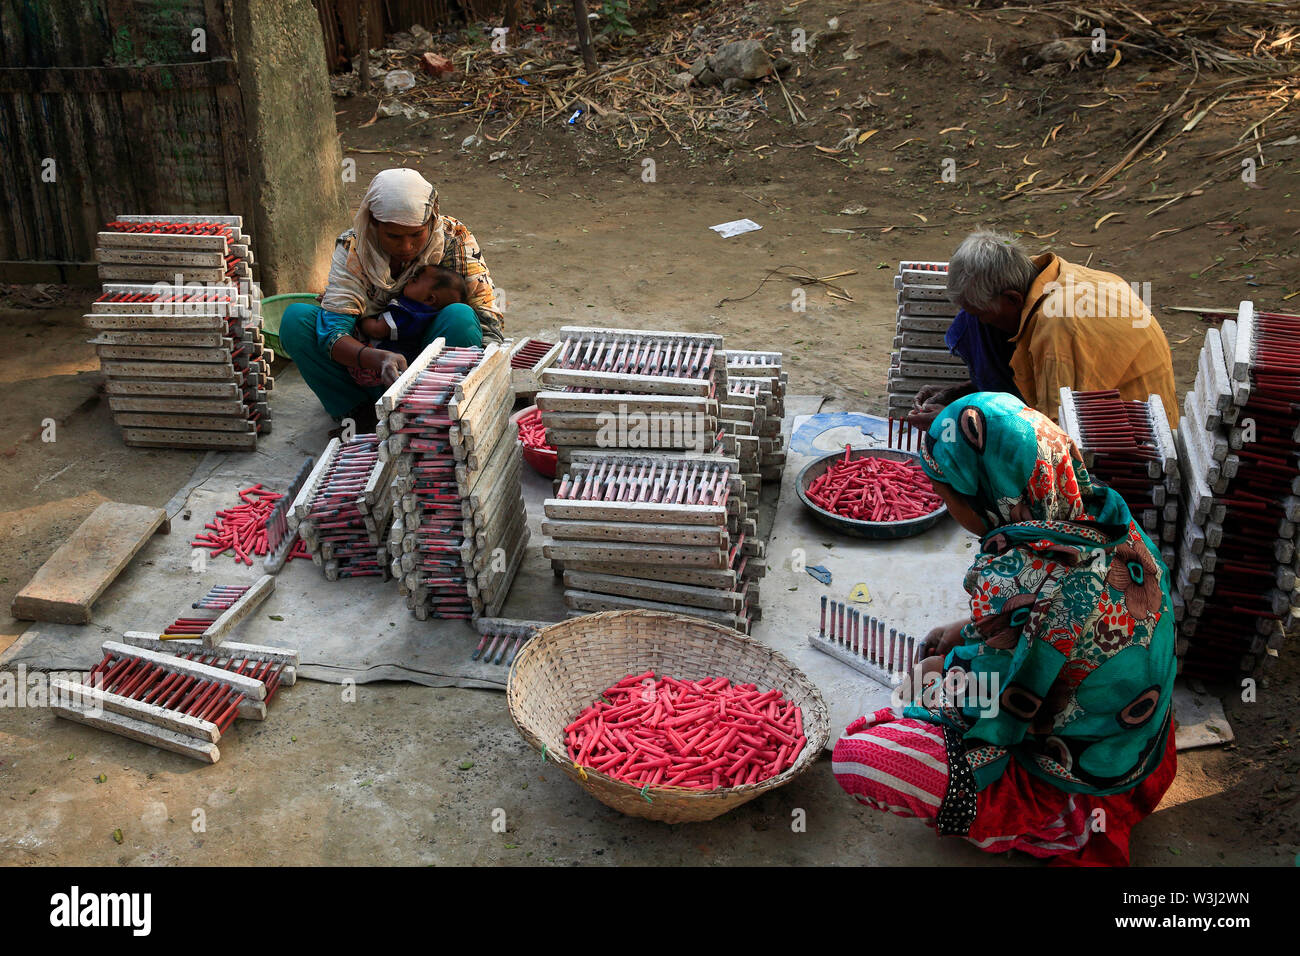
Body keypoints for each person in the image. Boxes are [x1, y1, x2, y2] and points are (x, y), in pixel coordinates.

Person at [833, 392, 1178, 865]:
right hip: (1138, 747)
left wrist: (940, 679)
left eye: (948, 496)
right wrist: (967, 632)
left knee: (863, 754)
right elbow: (1049, 629)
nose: (948, 508)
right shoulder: (1100, 512)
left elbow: (997, 704)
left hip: (1078, 780)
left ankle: (1054, 829)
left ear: (986, 494)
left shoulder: (1022, 579)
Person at [280, 168, 504, 432]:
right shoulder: (353, 249)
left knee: (461, 317)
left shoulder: (454, 239)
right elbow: (333, 333)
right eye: (394, 236)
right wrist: (378, 358)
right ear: (373, 225)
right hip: (370, 362)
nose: (407, 247)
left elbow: (487, 319)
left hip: (429, 365)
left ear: (431, 222)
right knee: (296, 321)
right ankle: (359, 413)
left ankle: (435, 410)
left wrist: (487, 388)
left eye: (416, 234)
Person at [908, 231, 1178, 429]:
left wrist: (957, 420)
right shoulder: (1044, 277)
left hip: (1133, 443)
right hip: (1094, 408)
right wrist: (964, 393)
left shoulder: (1059, 328)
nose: (982, 324)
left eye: (984, 315)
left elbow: (1053, 438)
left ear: (1013, 299)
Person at [347, 265, 469, 388]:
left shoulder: (407, 313)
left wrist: (361, 318)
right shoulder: (428, 315)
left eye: (415, 280)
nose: (409, 280)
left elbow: (377, 330)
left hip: (379, 368)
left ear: (429, 299)